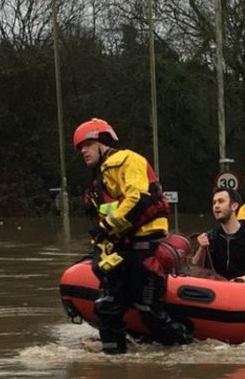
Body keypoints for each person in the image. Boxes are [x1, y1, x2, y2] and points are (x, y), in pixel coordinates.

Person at [73, 117, 192, 354]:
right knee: (107, 308)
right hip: (123, 249)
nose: (83, 151)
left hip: (145, 248)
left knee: (149, 312)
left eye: (87, 145)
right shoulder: (101, 178)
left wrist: (106, 227)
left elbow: (137, 198)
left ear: (102, 141)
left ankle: (187, 349)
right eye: (80, 148)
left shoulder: (126, 160)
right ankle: (114, 363)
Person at [192, 186, 245, 282]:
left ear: (234, 206)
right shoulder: (212, 237)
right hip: (219, 291)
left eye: (221, 201)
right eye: (214, 203)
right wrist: (202, 249)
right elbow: (195, 268)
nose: (216, 206)